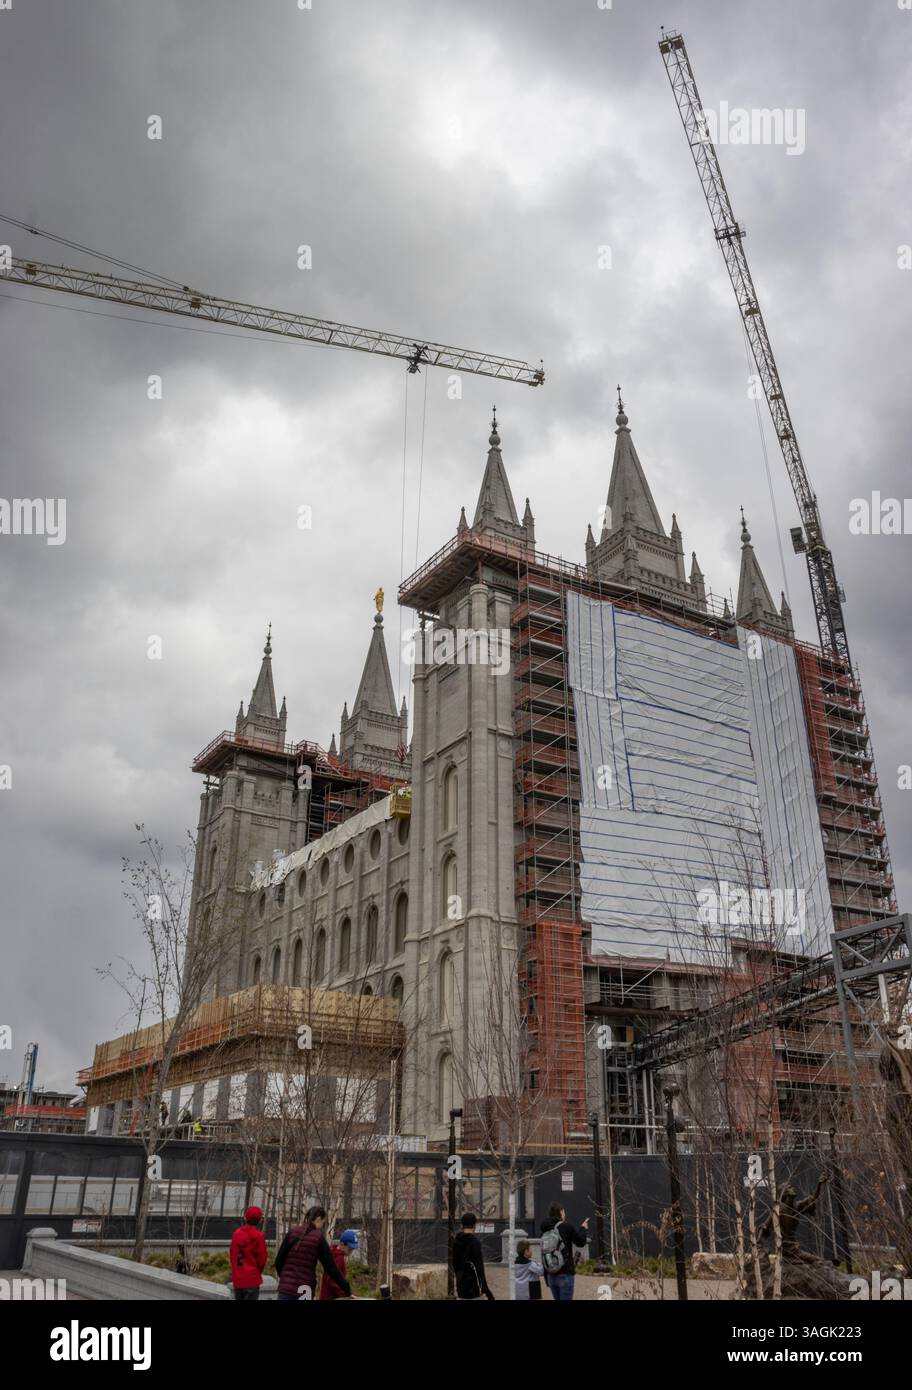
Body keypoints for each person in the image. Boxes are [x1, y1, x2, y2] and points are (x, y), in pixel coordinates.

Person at [274, 1206, 351, 1301]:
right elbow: (331, 1268)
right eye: (323, 1222)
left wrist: (286, 1278)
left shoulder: (293, 1232)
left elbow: (279, 1260)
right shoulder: (318, 1238)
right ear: (318, 1219)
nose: (322, 1226)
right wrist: (346, 1288)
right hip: (304, 1290)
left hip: (285, 1289)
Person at [539, 1203, 589, 1300]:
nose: (565, 1214)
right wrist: (583, 1228)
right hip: (565, 1274)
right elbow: (581, 1242)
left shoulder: (544, 1230)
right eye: (564, 1212)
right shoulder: (566, 1227)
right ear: (561, 1212)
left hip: (551, 1275)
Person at [452, 1213, 495, 1300]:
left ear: (461, 1225)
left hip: (460, 1287)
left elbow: (454, 1265)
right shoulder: (475, 1243)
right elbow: (479, 1268)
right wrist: (487, 1291)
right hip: (474, 1288)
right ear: (474, 1226)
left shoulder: (456, 1242)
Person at [229, 1205, 268, 1301]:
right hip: (252, 1279)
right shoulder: (259, 1236)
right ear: (259, 1220)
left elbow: (232, 1254)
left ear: (245, 1218)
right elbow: (262, 1259)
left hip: (238, 1279)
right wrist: (257, 1272)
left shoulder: (236, 1234)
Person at [320, 1228, 359, 1300]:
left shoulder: (332, 1254)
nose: (351, 1252)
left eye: (352, 1249)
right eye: (349, 1249)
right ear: (342, 1244)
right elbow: (333, 1282)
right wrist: (346, 1295)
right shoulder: (339, 1258)